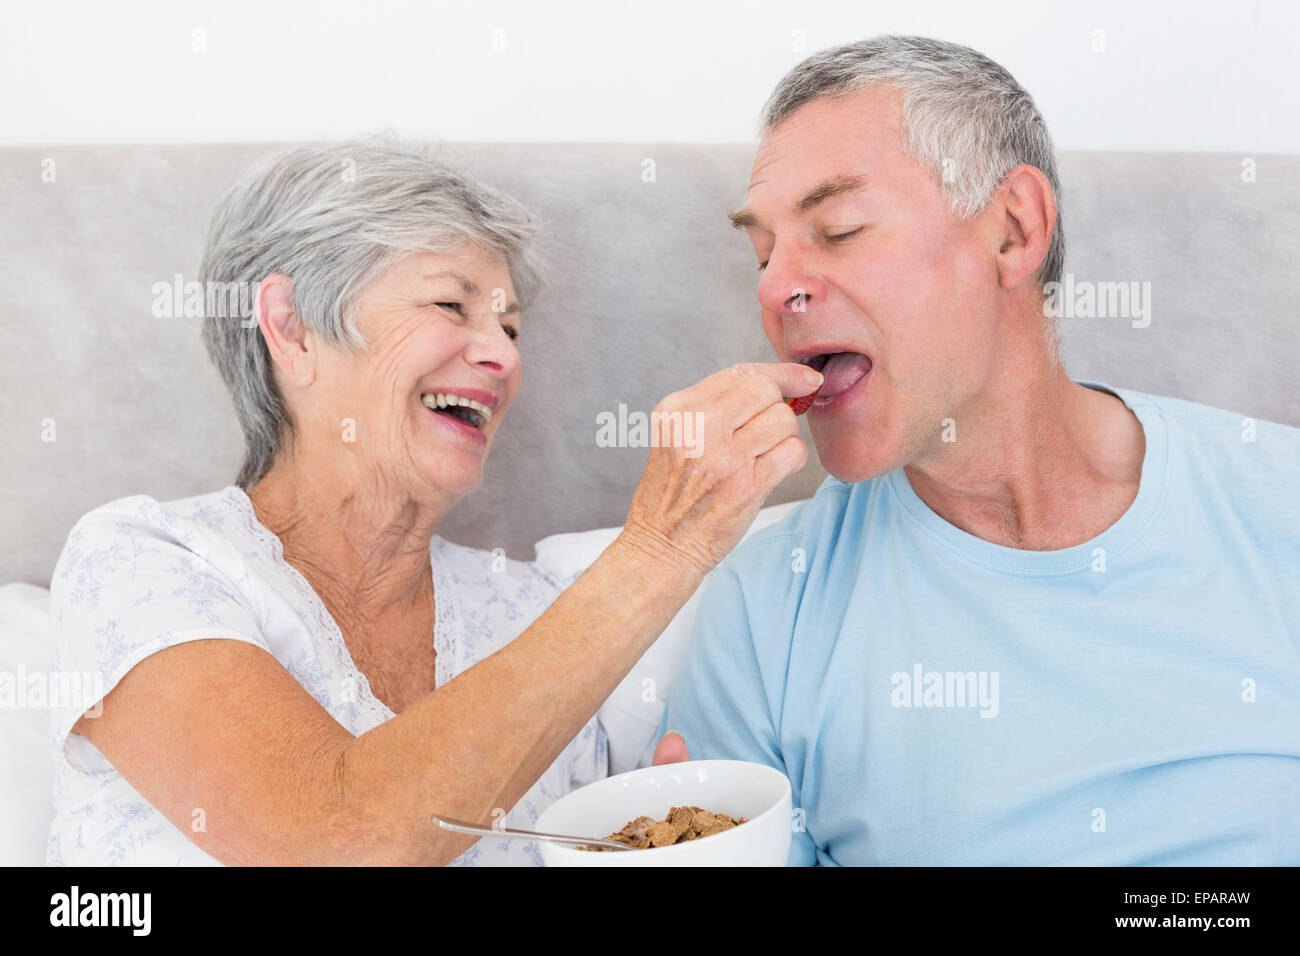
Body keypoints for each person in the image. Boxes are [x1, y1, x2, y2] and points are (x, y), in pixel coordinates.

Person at [46, 141, 821, 865]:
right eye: (452, 308)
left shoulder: (528, 614)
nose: (504, 355)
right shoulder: (144, 560)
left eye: (510, 326)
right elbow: (335, 839)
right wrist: (662, 545)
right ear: (293, 329)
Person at [660, 35, 1300, 865]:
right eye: (762, 252)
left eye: (840, 229)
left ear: (1012, 231)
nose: (776, 287)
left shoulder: (1279, 502)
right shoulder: (762, 609)